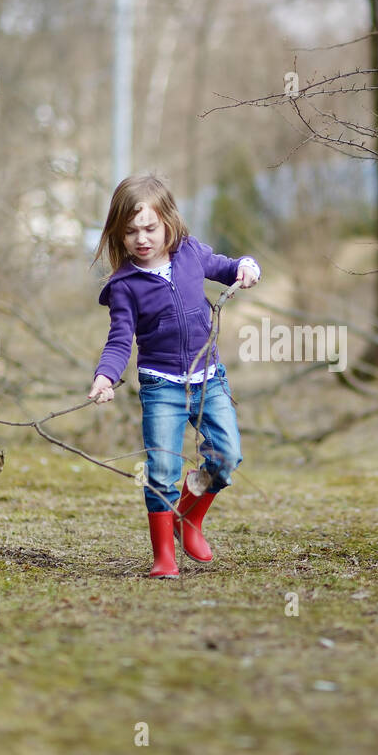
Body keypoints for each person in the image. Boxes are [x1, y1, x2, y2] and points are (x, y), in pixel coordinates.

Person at [87, 173, 260, 578]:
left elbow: (229, 266)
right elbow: (118, 341)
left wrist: (248, 267)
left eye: (149, 228)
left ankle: (188, 518)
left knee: (226, 456)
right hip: (161, 386)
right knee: (162, 469)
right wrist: (105, 377)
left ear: (169, 221)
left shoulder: (190, 254)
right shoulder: (124, 286)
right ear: (118, 234)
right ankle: (164, 556)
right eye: (130, 232)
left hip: (210, 379)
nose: (142, 238)